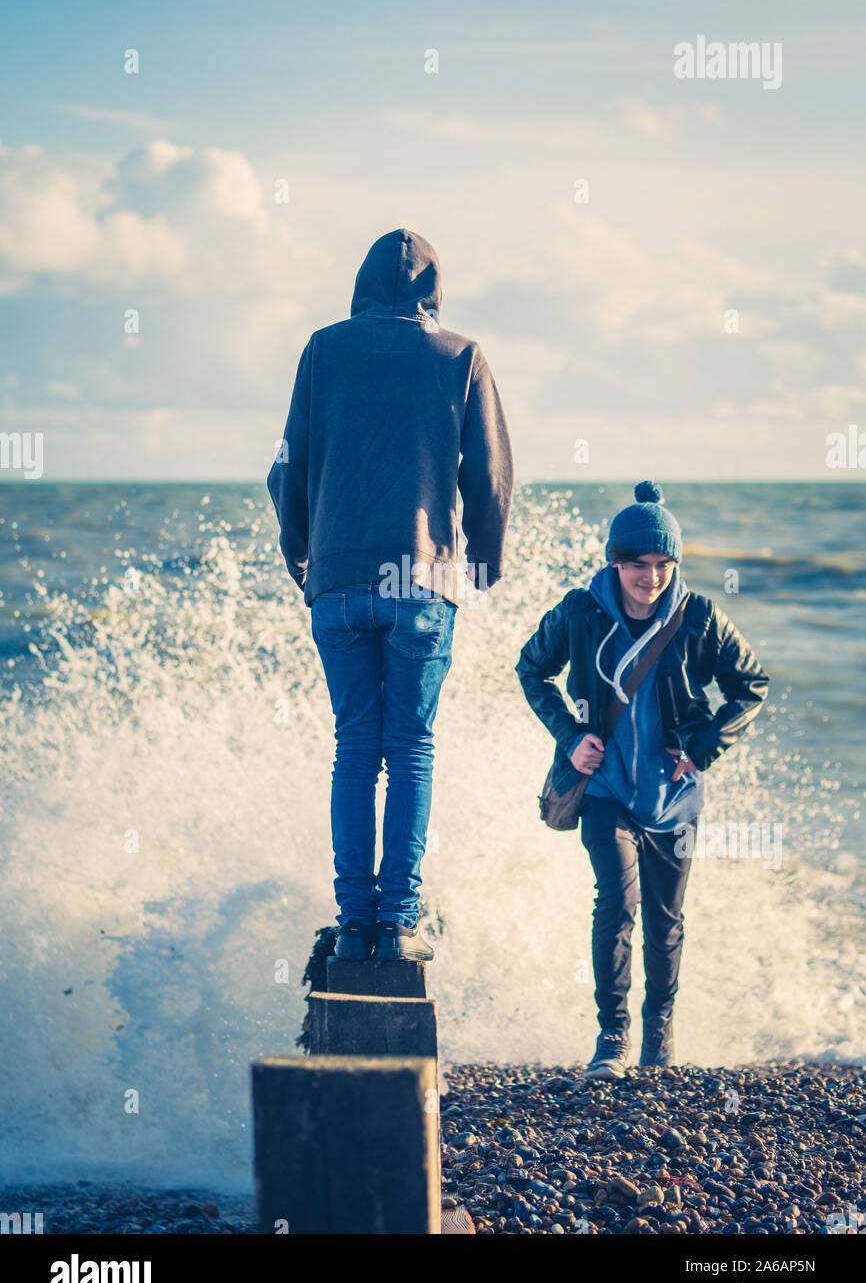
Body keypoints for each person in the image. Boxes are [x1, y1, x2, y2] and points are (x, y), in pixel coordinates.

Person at [267, 228, 513, 962]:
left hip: (339, 580)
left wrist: (302, 552)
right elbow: (492, 471)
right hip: (423, 579)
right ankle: (399, 924)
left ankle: (354, 926)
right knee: (409, 748)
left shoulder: (323, 350)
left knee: (354, 748)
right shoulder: (460, 355)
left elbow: (286, 466)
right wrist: (487, 553)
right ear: (433, 288)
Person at [515, 481, 769, 1076]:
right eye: (637, 565)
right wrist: (571, 737)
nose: (650, 578)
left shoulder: (699, 618)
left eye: (661, 565)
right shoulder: (580, 610)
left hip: (674, 799)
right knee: (617, 902)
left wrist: (703, 749)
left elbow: (750, 685)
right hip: (604, 789)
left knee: (665, 919)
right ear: (615, 561)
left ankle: (659, 1034)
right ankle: (613, 1036)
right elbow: (532, 670)